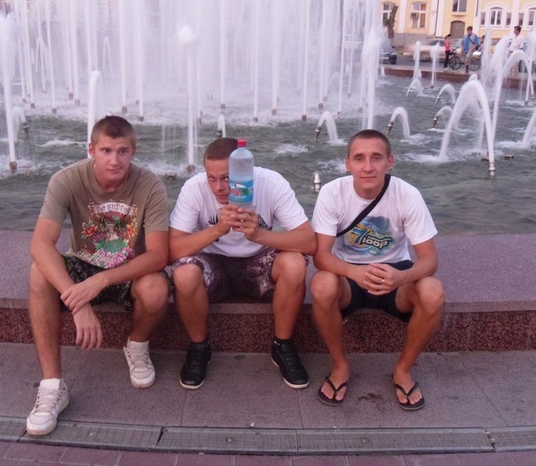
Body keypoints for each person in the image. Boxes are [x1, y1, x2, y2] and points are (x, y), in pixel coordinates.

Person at [26, 116, 170, 436]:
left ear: (133, 151)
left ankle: (136, 345)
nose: (114, 160)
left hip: (128, 270)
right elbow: (39, 245)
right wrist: (78, 302)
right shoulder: (66, 179)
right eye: (106, 150)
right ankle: (52, 386)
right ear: (91, 149)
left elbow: (159, 255)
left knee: (156, 288)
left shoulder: (150, 185)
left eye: (122, 151)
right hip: (83, 262)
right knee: (39, 273)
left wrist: (101, 281)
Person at [310, 129, 444, 411]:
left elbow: (430, 260)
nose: (368, 167)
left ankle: (403, 370)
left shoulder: (407, 194)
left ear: (389, 162)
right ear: (348, 163)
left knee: (433, 290)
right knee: (322, 284)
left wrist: (402, 277)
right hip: (349, 276)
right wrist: (354, 273)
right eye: (359, 158)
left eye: (376, 157)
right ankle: (340, 366)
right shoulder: (332, 193)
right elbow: (321, 257)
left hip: (395, 275)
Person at [169, 137, 316, 390]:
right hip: (213, 263)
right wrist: (217, 230)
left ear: (245, 172)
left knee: (294, 264)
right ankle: (199, 347)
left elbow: (309, 241)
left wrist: (259, 235)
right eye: (212, 178)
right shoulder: (194, 188)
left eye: (227, 178)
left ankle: (282, 345)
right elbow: (171, 250)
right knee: (184, 274)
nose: (219, 187)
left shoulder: (270, 183)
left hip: (259, 261)